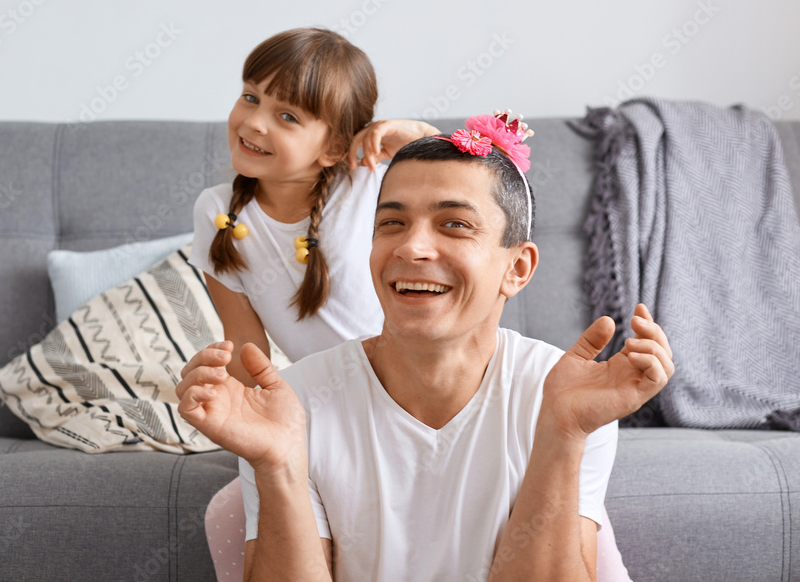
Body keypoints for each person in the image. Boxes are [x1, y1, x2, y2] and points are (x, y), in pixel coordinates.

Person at [177, 115, 675, 580]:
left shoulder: (564, 396)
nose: (411, 247)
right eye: (391, 223)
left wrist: (563, 435)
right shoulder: (296, 402)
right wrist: (277, 465)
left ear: (517, 268)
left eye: (454, 224)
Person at [187, 27, 440, 578]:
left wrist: (420, 137)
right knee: (234, 516)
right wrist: (257, 425)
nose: (254, 122)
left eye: (286, 116)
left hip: (415, 398)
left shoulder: (368, 183)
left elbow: (477, 195)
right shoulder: (217, 213)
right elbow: (244, 346)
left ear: (333, 146)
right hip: (321, 411)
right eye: (250, 96)